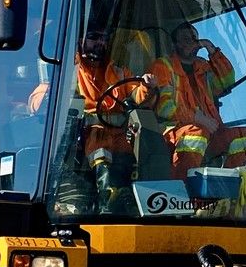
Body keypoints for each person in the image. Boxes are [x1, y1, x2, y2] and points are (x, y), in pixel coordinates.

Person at [29, 27, 154, 213]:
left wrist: (146, 86)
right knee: (100, 147)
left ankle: (126, 197)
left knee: (137, 154)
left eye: (104, 38)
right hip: (84, 139)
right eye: (94, 37)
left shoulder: (118, 71)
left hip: (119, 137)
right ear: (79, 41)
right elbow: (37, 100)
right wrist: (46, 98)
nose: (100, 43)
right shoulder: (68, 71)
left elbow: (135, 94)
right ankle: (108, 197)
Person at [150, 22, 246, 180]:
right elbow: (164, 108)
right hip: (172, 133)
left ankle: (229, 188)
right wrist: (197, 118)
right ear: (174, 44)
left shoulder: (203, 67)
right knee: (196, 133)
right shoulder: (163, 66)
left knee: (244, 135)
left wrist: (211, 48)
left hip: (211, 131)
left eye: (194, 38)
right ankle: (182, 189)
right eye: (185, 39)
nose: (191, 42)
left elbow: (227, 80)